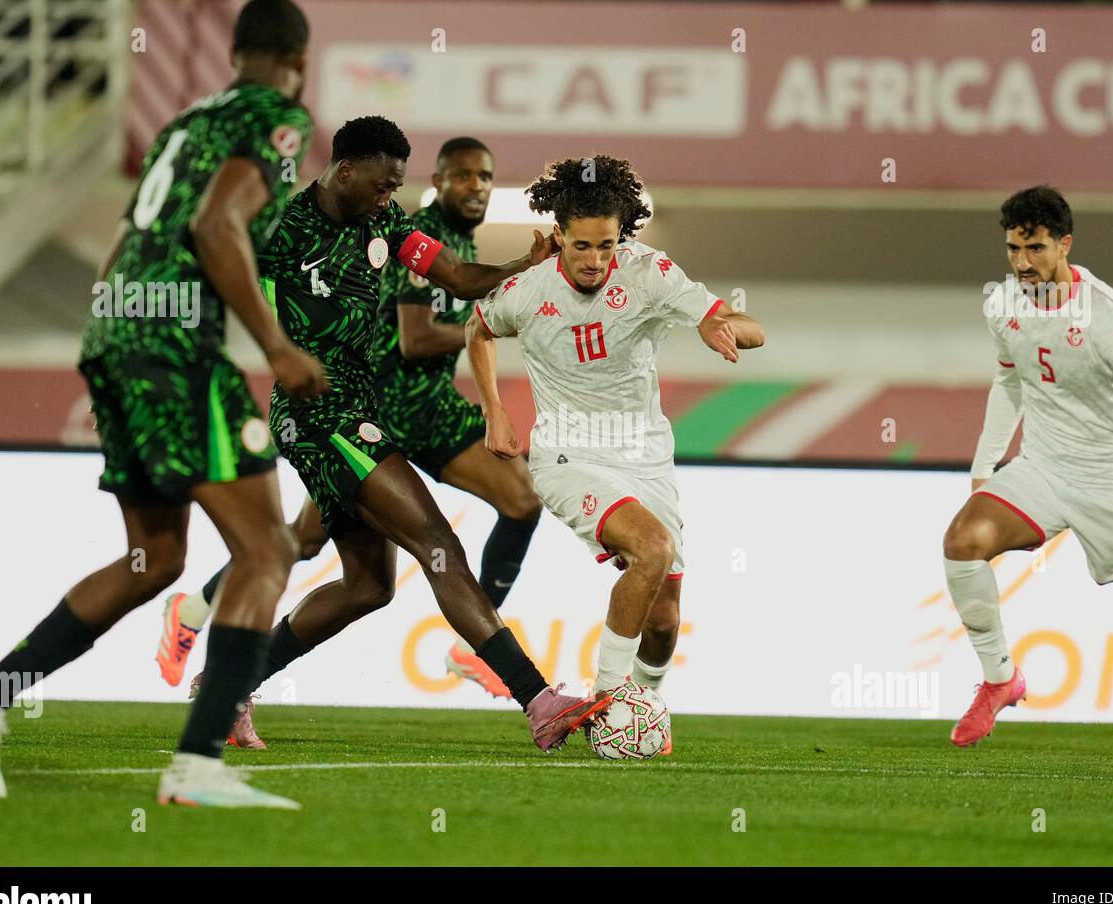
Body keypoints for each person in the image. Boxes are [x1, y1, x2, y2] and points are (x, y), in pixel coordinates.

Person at [0, 0, 328, 809]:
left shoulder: (187, 122)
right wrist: (278, 348)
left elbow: (129, 239)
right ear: (298, 58)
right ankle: (197, 768)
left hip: (115, 334)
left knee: (156, 558)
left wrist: (118, 332)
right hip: (175, 352)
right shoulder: (278, 117)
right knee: (267, 552)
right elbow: (218, 225)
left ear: (235, 50)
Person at [164, 118, 606, 752]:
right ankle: (538, 701)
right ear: (346, 169)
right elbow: (206, 278)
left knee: (368, 587)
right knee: (438, 545)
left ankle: (226, 686)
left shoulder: (385, 220)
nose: (387, 197)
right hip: (321, 415)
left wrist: (525, 265)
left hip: (360, 409)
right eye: (381, 184)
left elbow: (455, 276)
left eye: (395, 185)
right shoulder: (283, 229)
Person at [466, 155, 765, 755]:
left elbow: (749, 326)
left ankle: (647, 698)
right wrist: (495, 410)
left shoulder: (649, 273)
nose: (594, 261)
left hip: (645, 456)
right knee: (649, 549)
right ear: (558, 236)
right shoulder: (526, 291)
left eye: (606, 246)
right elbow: (478, 330)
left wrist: (722, 324)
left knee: (664, 616)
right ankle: (609, 701)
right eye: (581, 246)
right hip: (566, 455)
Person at [943, 185, 1113, 755]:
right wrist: (985, 466)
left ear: (1064, 244)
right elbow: (1009, 383)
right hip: (1045, 467)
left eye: (1035, 249)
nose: (1022, 263)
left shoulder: (1111, 319)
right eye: (1012, 249)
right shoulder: (1003, 304)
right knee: (962, 542)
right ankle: (1002, 679)